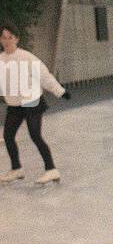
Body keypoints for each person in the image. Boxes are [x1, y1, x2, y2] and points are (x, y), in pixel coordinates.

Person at [0, 25, 71, 184]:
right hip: (14, 104)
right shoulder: (1, 60)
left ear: (16, 39)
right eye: (3, 37)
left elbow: (44, 75)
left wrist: (60, 91)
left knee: (35, 135)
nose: (6, 41)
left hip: (31, 101)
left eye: (9, 37)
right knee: (8, 136)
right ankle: (16, 169)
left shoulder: (27, 57)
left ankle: (51, 169)